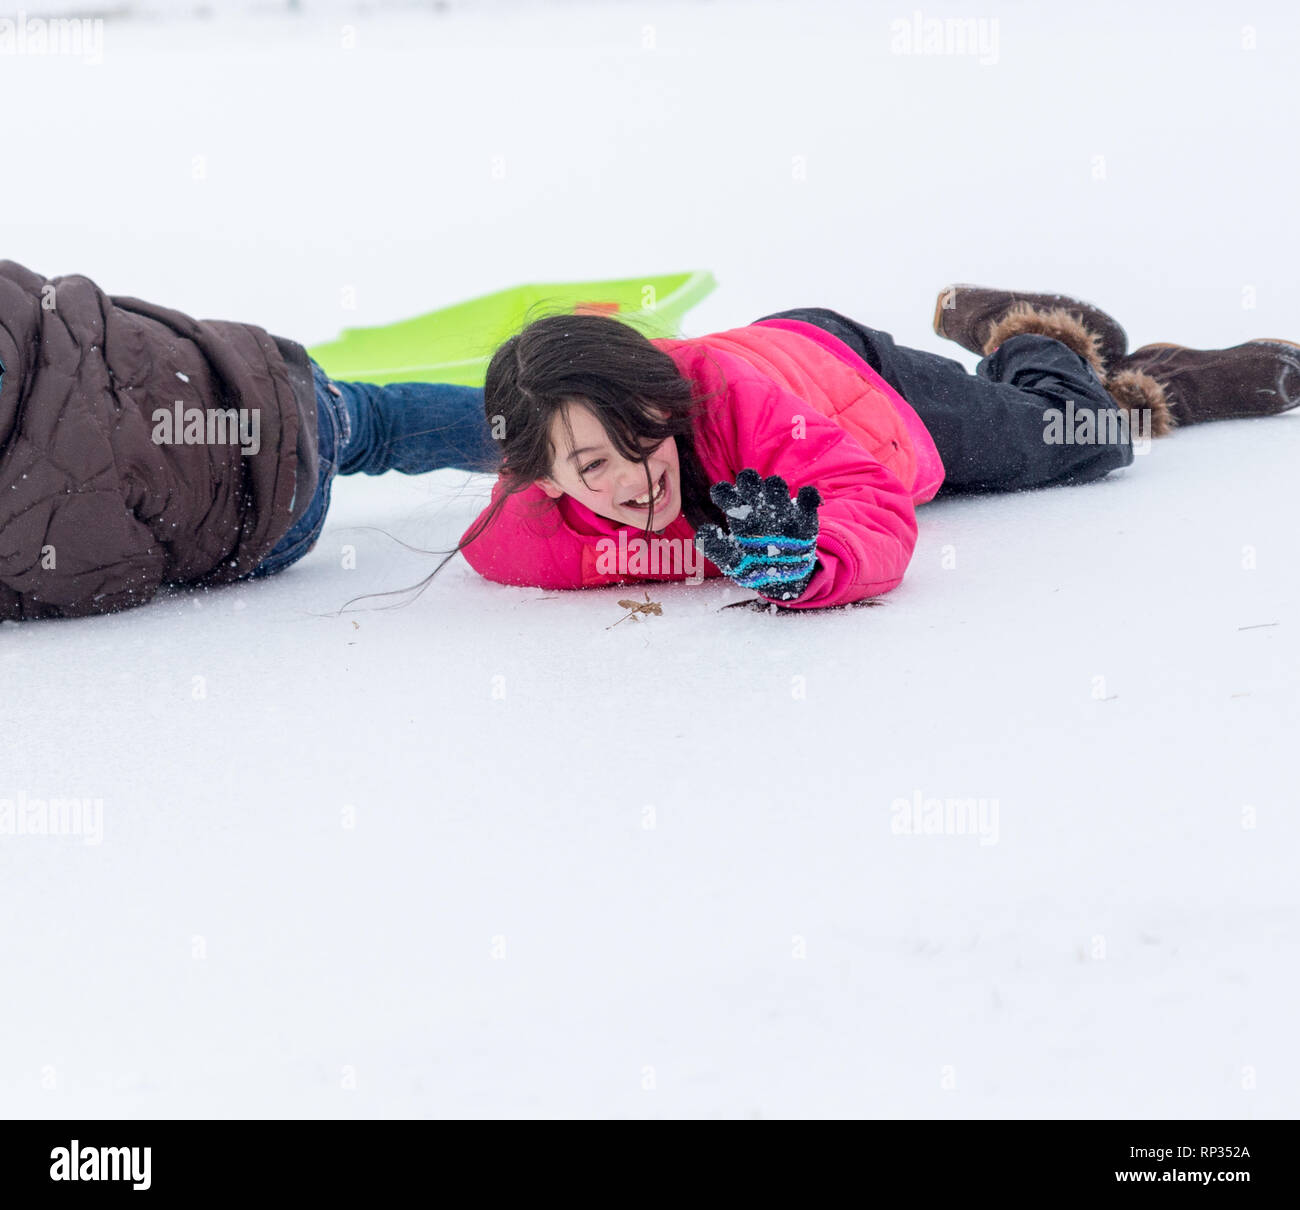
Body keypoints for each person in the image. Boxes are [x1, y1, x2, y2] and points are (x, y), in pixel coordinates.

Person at [456, 287, 1300, 608]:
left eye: (644, 438)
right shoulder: (530, 530)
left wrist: (814, 563)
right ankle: (1098, 369)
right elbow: (488, 547)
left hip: (857, 382)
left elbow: (870, 503)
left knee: (1088, 439)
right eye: (594, 465)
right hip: (788, 354)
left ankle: (1025, 334)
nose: (637, 480)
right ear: (547, 480)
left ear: (667, 404)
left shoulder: (735, 407)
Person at [0, 260, 497, 620]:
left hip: (271, 502)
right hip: (264, 377)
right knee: (377, 419)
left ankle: (548, 445)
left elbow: (126, 577)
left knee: (367, 434)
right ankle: (541, 427)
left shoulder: (28, 519)